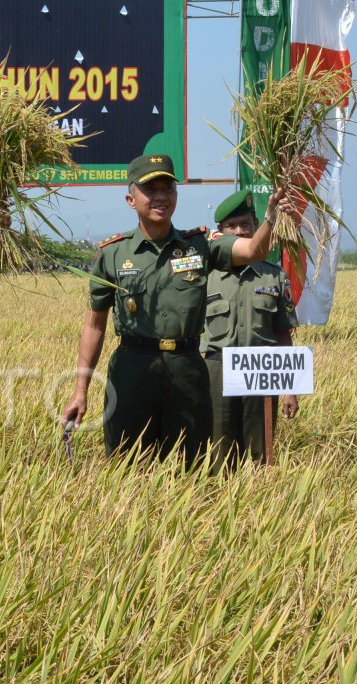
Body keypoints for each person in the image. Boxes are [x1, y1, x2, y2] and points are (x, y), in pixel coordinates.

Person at [60, 154, 298, 464]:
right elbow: (94, 326)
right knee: (127, 463)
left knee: (190, 466)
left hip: (186, 369)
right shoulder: (113, 254)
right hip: (133, 368)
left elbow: (255, 249)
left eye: (167, 188)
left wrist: (270, 218)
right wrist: (81, 389)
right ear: (131, 199)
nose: (161, 196)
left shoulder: (200, 245)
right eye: (151, 189)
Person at [202, 189, 299, 466]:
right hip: (217, 369)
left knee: (260, 450)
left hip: (261, 367)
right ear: (219, 233)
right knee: (217, 449)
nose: (240, 231)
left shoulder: (274, 275)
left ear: (257, 226)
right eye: (231, 226)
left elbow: (283, 333)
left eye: (246, 224)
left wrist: (288, 388)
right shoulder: (205, 276)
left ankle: (259, 503)